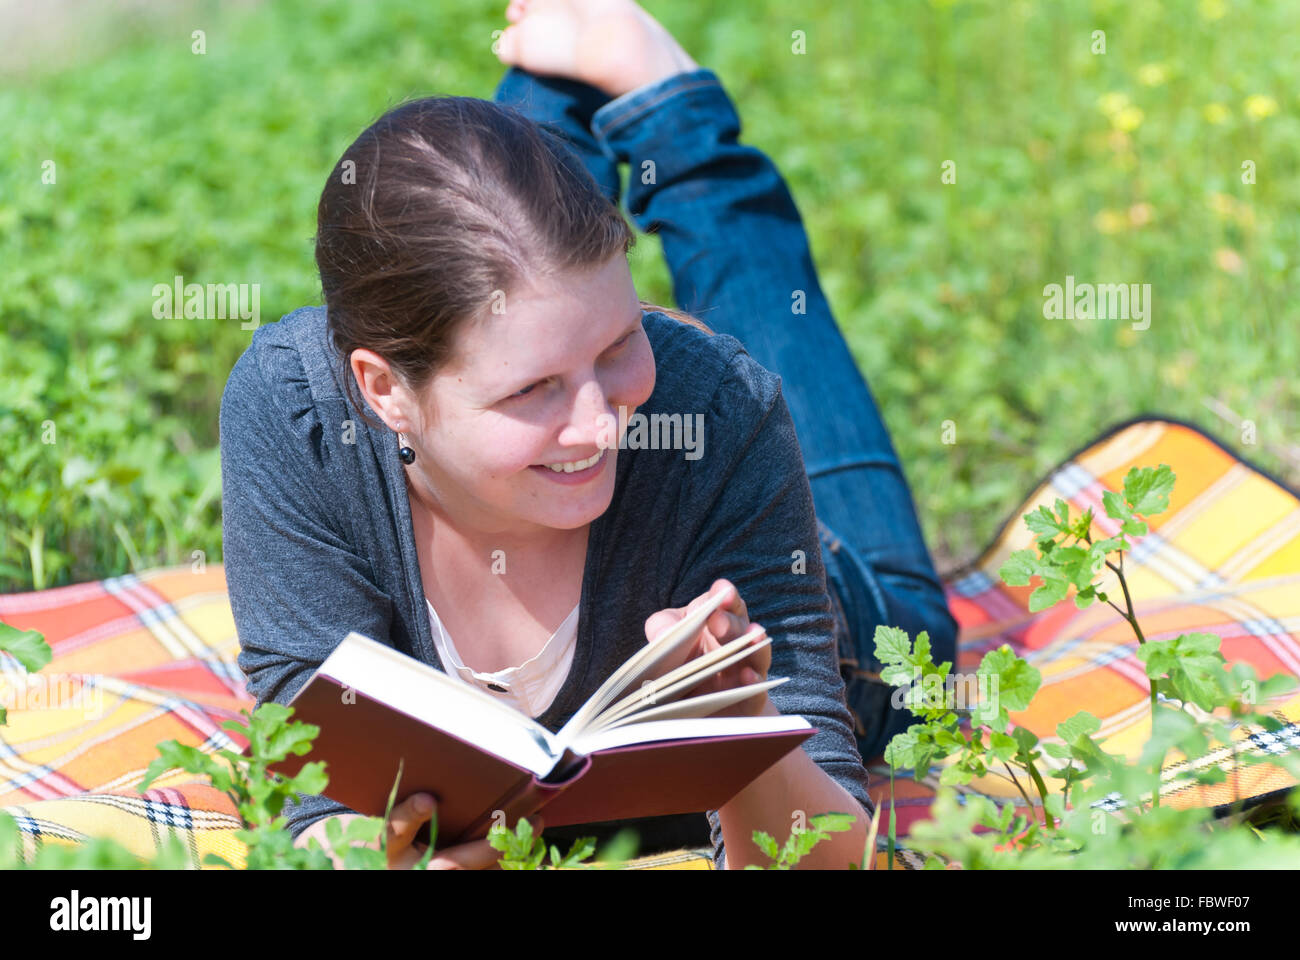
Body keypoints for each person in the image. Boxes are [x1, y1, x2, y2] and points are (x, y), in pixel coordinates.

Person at [220, 0, 956, 870]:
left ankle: (674, 112)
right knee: (500, 229)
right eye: (532, 389)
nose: (601, 423)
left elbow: (823, 859)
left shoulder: (714, 409)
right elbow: (313, 790)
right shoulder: (299, 413)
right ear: (384, 391)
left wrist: (741, 733)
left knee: (920, 648)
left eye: (618, 344)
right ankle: (559, 82)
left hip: (826, 589)